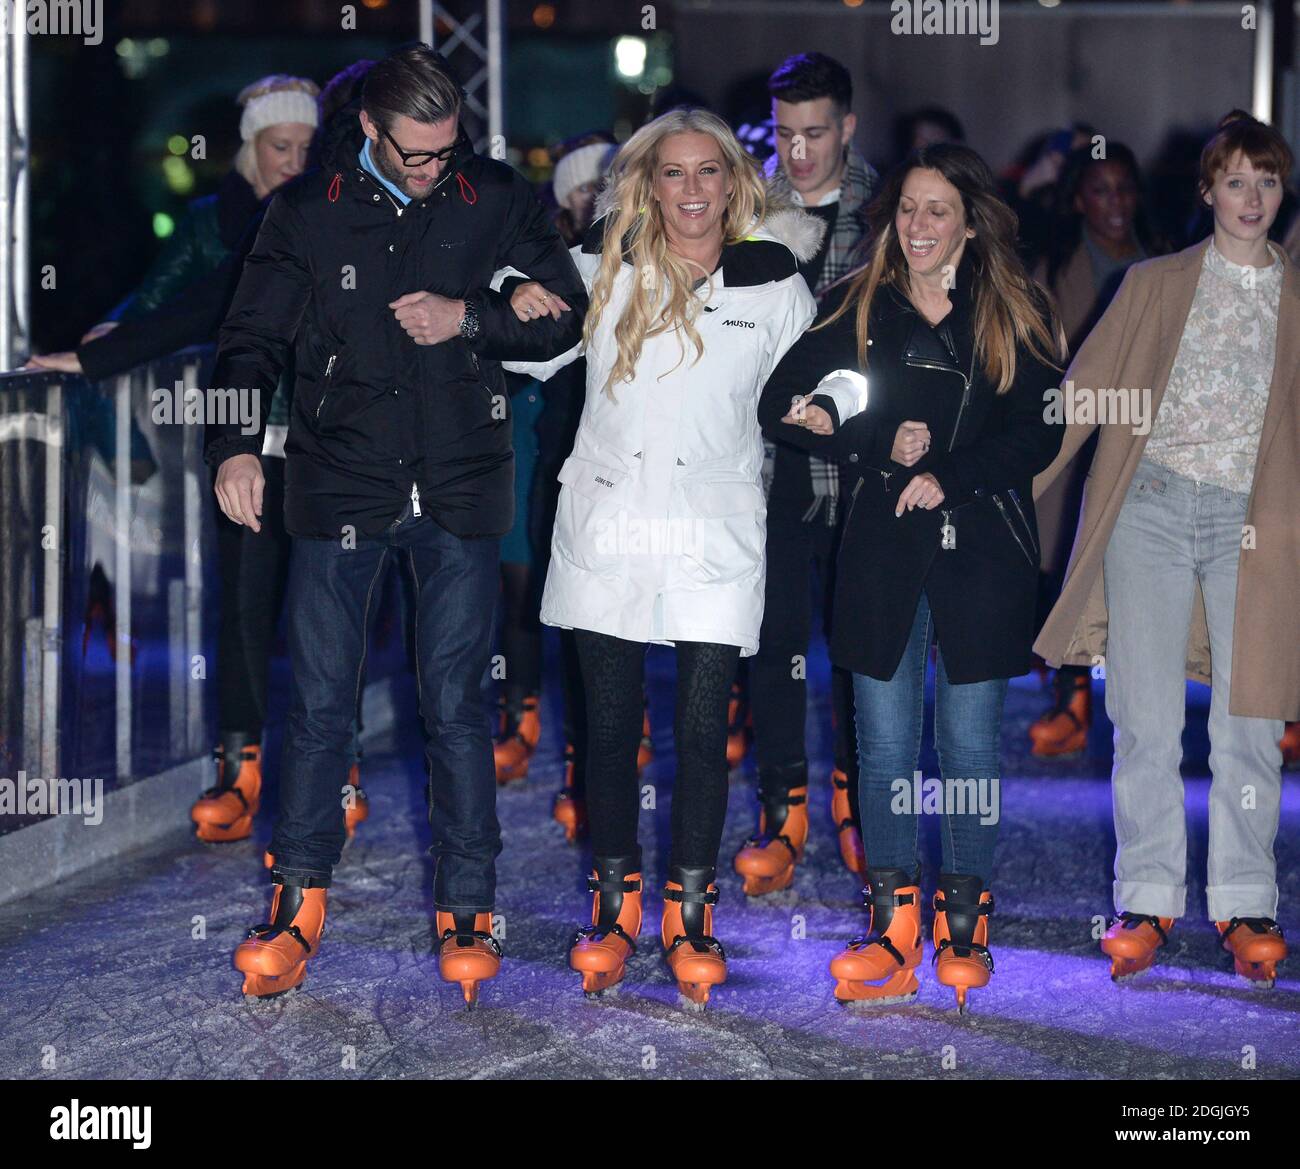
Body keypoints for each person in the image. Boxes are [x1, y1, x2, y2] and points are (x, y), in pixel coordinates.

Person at [203, 44, 586, 1006]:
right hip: (338, 485)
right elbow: (246, 340)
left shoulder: (491, 196)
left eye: (446, 150)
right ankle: (297, 898)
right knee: (321, 702)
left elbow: (565, 317)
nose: (433, 170)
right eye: (415, 155)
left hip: (459, 484)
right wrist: (235, 447)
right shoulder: (307, 210)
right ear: (370, 130)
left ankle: (468, 900)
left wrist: (471, 317)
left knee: (456, 701)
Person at [500, 107, 820, 1007]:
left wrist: (842, 416)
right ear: (647, 184)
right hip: (608, 521)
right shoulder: (600, 265)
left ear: (733, 182)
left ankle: (691, 911)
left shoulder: (773, 281)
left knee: (703, 732)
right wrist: (504, 293)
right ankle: (614, 905)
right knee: (608, 726)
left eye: (707, 172)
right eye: (672, 174)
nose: (691, 191)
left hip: (714, 529)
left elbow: (816, 383)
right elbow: (522, 344)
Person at [759, 143, 1066, 1012]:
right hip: (883, 550)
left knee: (968, 749)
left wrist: (953, 474)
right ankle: (893, 928)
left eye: (938, 210)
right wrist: (866, 440)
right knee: (886, 748)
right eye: (908, 209)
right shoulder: (858, 304)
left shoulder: (1014, 307)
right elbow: (780, 404)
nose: (919, 225)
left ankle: (963, 921)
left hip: (983, 552)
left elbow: (1040, 430)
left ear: (970, 219)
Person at [29, 75, 355, 846]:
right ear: (250, 148)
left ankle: (335, 768)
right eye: (280, 146)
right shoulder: (223, 221)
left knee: (329, 611)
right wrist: (101, 345)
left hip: (325, 443)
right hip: (244, 437)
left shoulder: (333, 217)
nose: (293, 160)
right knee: (244, 607)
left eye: (307, 147)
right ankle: (238, 765)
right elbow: (179, 300)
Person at [1033, 112, 1298, 988]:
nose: (1252, 198)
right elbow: (1084, 395)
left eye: (1267, 181)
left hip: (1252, 526)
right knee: (1142, 716)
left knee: (1250, 719)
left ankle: (1245, 897)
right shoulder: (1154, 282)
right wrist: (1000, 484)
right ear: (1208, 190)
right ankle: (1145, 896)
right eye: (1236, 181)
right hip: (1149, 509)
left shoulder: (1297, 299)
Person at [734, 52, 880, 898]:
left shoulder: (891, 213)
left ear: (848, 127)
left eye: (816, 134)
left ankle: (857, 804)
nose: (799, 153)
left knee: (861, 649)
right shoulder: (748, 208)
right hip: (773, 471)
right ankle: (782, 811)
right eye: (786, 135)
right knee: (776, 648)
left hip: (860, 474)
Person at [1028, 142, 1162, 760]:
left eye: (1124, 189)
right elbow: (1029, 356)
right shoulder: (1054, 267)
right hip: (1075, 443)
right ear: (1080, 199)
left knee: (1139, 580)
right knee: (1071, 569)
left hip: (1147, 447)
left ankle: (1134, 711)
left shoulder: (1166, 262)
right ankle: (1072, 697)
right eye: (1101, 190)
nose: (1116, 203)